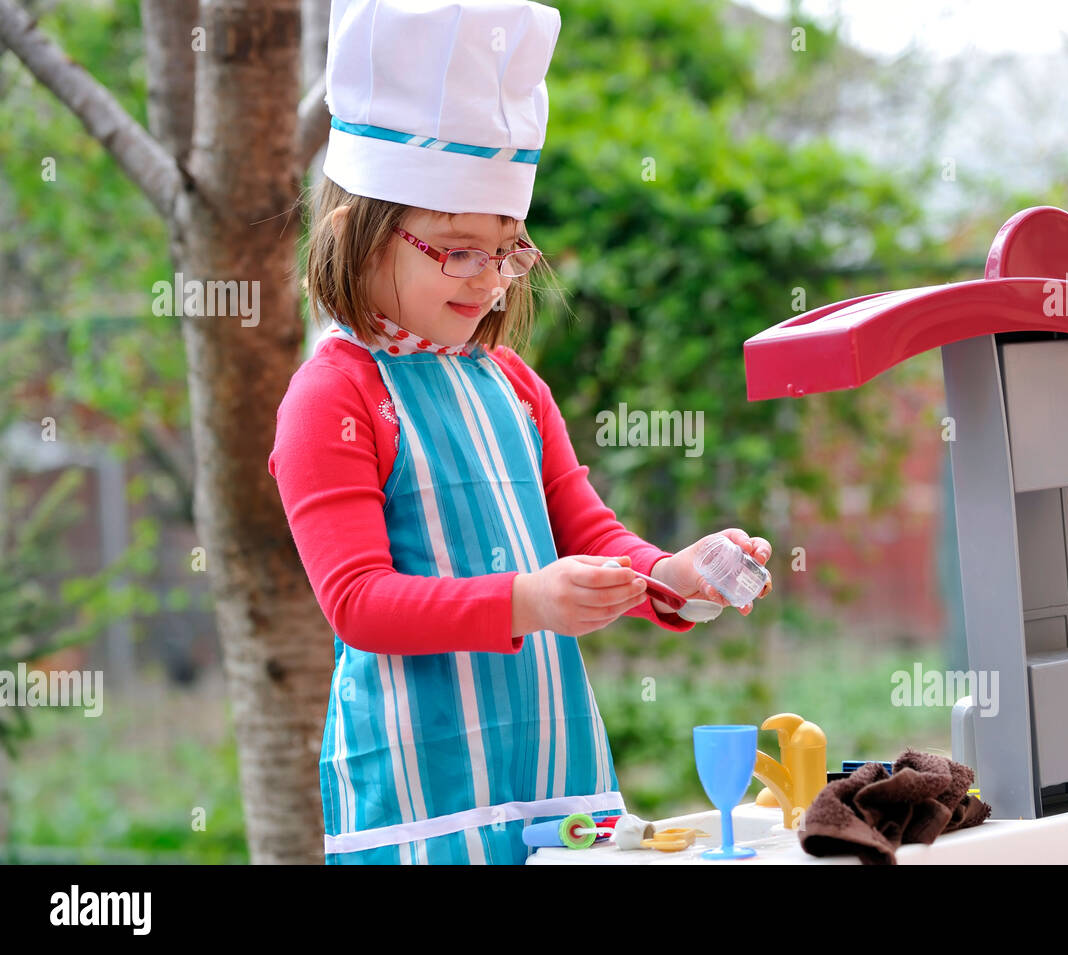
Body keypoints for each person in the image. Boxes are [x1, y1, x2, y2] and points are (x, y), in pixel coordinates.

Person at [268, 0, 772, 865]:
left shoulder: (515, 388)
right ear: (360, 234)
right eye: (459, 250)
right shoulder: (333, 396)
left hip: (557, 773)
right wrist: (527, 600)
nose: (492, 281)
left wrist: (674, 576)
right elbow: (358, 605)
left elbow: (593, 536)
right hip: (417, 790)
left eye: (508, 249)